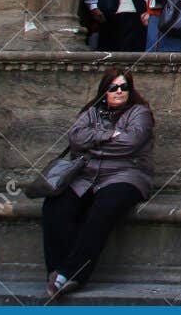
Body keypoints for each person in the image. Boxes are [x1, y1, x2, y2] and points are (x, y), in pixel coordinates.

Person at [42, 69, 154, 298]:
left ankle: (72, 274)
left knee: (103, 209)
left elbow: (131, 143)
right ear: (104, 92)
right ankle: (58, 269)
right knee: (55, 206)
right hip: (87, 176)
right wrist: (108, 136)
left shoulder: (139, 113)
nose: (120, 92)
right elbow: (75, 139)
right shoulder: (91, 112)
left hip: (126, 175)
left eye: (125, 87)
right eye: (114, 88)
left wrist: (93, 140)